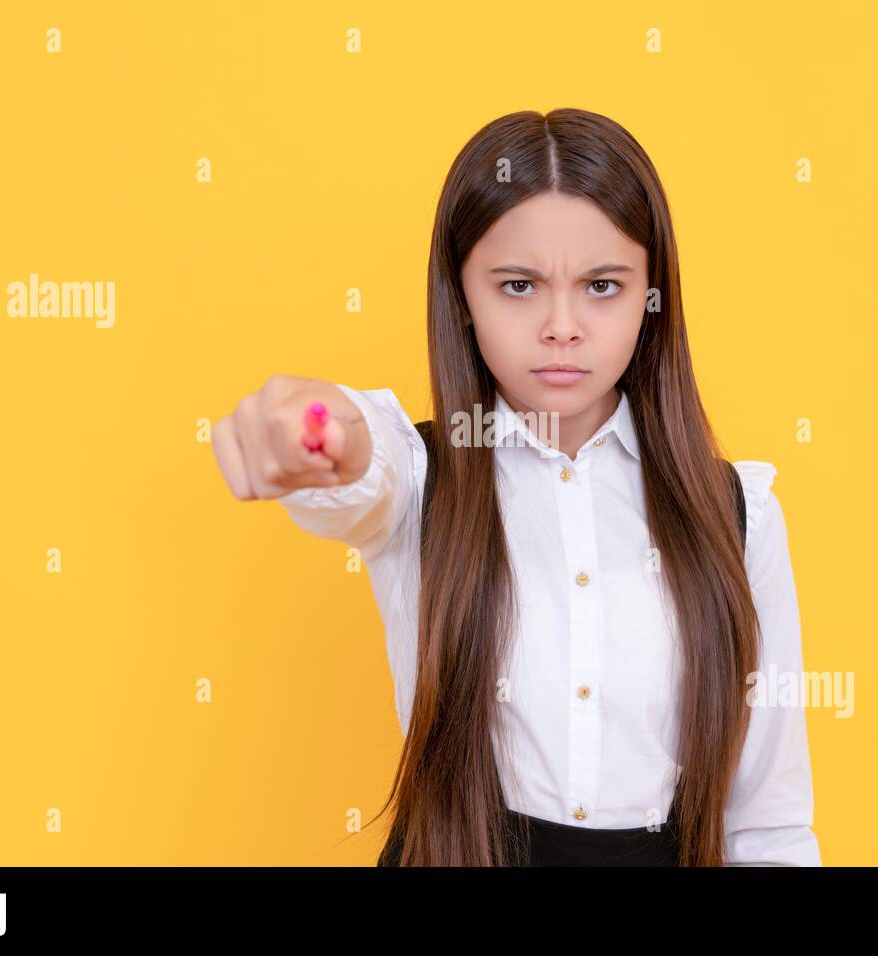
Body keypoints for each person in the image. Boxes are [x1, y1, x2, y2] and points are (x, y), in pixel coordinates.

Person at [211, 108, 821, 867]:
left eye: (603, 285)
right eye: (519, 285)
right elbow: (362, 460)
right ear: (462, 297)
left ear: (650, 297)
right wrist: (313, 426)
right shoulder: (423, 480)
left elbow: (767, 826)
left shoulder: (740, 516)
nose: (562, 325)